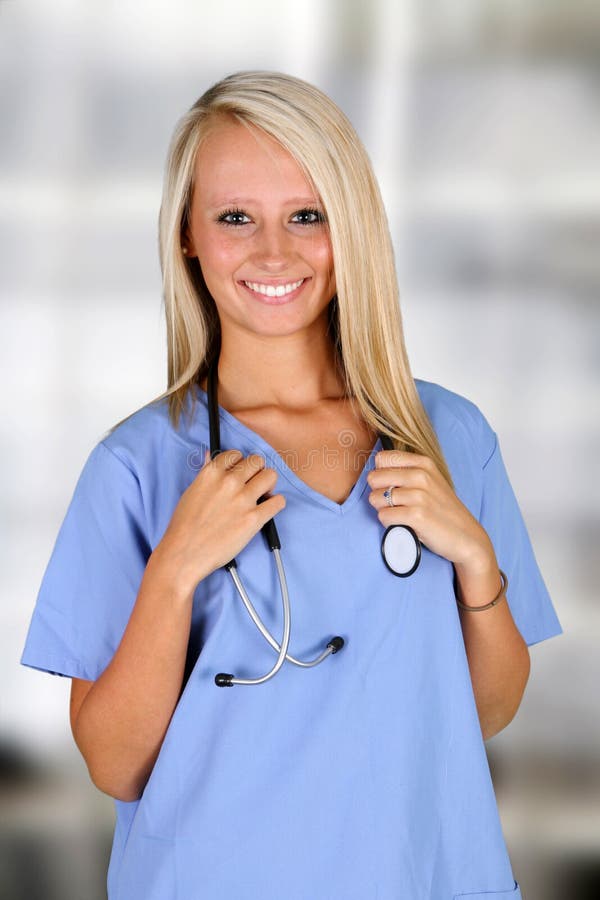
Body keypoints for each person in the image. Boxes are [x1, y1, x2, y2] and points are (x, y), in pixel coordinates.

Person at [21, 70, 562, 899]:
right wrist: (175, 570)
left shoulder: (449, 437)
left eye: (307, 216)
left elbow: (484, 716)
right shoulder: (138, 466)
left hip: (424, 877)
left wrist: (479, 566)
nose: (273, 252)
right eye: (236, 218)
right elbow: (115, 765)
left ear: (350, 230)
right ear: (187, 238)